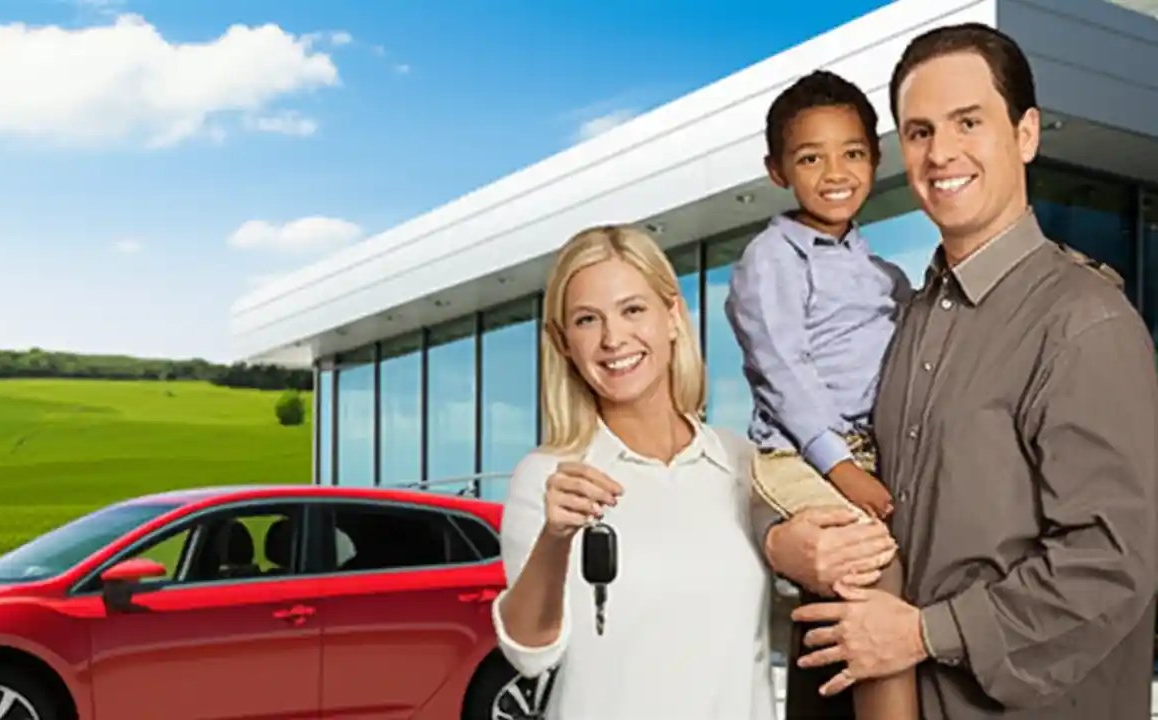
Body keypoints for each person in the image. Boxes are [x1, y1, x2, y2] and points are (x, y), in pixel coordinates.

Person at [770, 22, 1158, 719]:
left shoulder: (1085, 324)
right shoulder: (902, 320)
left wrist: (924, 632)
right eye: (919, 132)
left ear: (1027, 134)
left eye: (967, 122)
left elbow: (1111, 561)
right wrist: (785, 540)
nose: (941, 152)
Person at [490, 224, 777, 719]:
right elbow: (528, 651)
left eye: (632, 310)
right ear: (564, 344)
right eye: (586, 320)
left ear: (672, 317)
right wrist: (556, 538)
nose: (612, 339)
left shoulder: (741, 464)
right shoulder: (547, 478)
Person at [726, 69, 916, 720]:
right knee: (867, 565)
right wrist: (839, 465)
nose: (835, 172)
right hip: (803, 458)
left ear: (875, 158)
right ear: (778, 170)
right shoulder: (772, 258)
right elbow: (785, 368)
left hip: (864, 455)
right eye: (811, 157)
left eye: (853, 153)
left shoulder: (879, 272)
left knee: (847, 600)